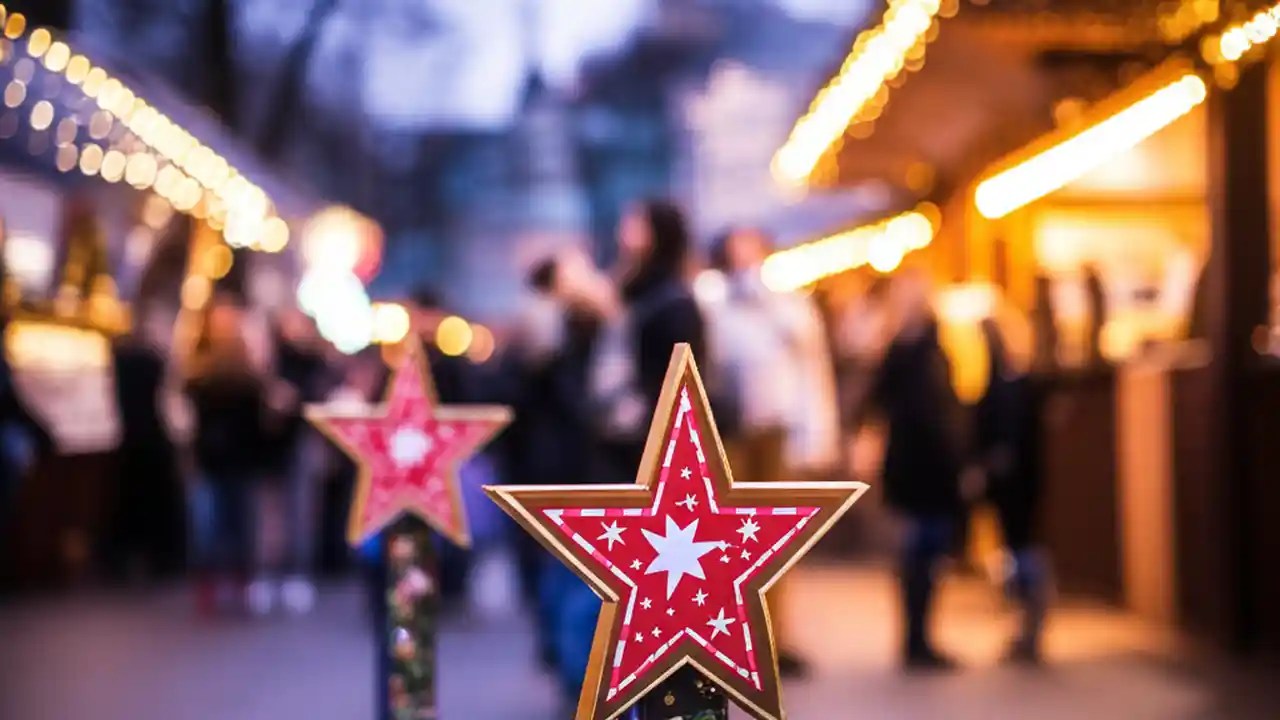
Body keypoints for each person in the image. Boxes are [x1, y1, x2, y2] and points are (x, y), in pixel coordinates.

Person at [705, 226, 838, 676]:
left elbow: (811, 368)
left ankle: (774, 638)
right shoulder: (715, 307)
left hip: (779, 432)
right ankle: (729, 637)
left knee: (774, 540)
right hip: (732, 434)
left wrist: (817, 435)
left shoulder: (789, 308)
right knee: (728, 543)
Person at [868, 267, 963, 670]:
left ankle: (919, 637)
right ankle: (916, 639)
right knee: (919, 555)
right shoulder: (908, 351)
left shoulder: (932, 346)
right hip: (919, 467)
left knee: (924, 556)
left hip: (929, 466)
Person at [185, 291, 269, 616]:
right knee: (209, 524)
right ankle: (208, 584)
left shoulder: (247, 367)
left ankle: (240, 582)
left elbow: (257, 411)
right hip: (210, 457)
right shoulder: (198, 364)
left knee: (240, 523)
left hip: (240, 457)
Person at [972, 313, 1049, 664]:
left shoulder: (1010, 386)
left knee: (1023, 551)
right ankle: (1027, 626)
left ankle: (1031, 626)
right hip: (1017, 483)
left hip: (1016, 485)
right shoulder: (1013, 383)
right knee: (1020, 550)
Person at [104, 307, 186, 580]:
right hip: (152, 439)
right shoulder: (155, 361)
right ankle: (160, 559)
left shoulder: (121, 358)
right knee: (155, 502)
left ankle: (123, 557)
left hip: (130, 439)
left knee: (129, 502)